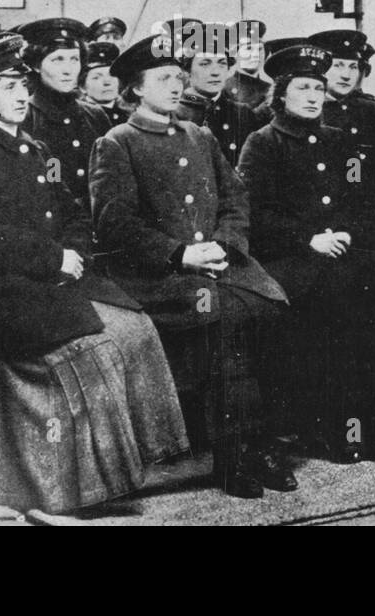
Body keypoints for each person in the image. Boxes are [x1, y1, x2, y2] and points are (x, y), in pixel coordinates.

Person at [0, 33, 188, 515]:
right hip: (0, 294)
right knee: (96, 350)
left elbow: (72, 211)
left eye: (23, 87)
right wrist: (53, 260)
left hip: (51, 283)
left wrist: (73, 253)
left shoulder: (32, 146)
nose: (21, 97)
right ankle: (85, 487)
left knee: (137, 329)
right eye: (8, 89)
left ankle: (139, 463)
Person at [90, 33, 295, 499]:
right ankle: (236, 456)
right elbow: (114, 223)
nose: (176, 86)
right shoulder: (117, 142)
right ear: (136, 89)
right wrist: (180, 253)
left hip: (218, 263)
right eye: (163, 78)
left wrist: (225, 243)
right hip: (158, 275)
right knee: (226, 319)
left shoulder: (198, 135)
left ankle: (256, 443)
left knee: (272, 306)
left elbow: (235, 198)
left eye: (179, 77)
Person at [236, 43, 375, 465]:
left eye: (318, 88)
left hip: (342, 254)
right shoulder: (263, 144)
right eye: (303, 88)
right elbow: (254, 214)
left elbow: (365, 201)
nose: (313, 96)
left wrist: (348, 233)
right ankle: (329, 430)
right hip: (289, 260)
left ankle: (371, 428)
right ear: (281, 94)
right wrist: (307, 239)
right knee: (330, 311)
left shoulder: (341, 142)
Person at [17, 17, 110, 203]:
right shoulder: (23, 119)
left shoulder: (95, 116)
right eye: (57, 59)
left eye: (74, 59)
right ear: (36, 65)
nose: (68, 70)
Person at [306, 29, 375, 188]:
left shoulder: (372, 110)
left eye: (353, 67)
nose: (346, 75)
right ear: (320, 68)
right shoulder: (307, 108)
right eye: (338, 65)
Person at [174, 20, 262, 170]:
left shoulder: (244, 114)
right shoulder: (172, 114)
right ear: (187, 71)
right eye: (205, 63)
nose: (215, 72)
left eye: (222, 63)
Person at [221, 19, 270, 111]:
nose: (256, 55)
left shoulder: (270, 88)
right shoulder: (223, 89)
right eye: (248, 48)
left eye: (259, 49)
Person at [79, 41, 127, 126]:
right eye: (97, 77)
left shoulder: (129, 115)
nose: (107, 82)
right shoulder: (79, 117)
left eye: (112, 75)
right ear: (82, 87)